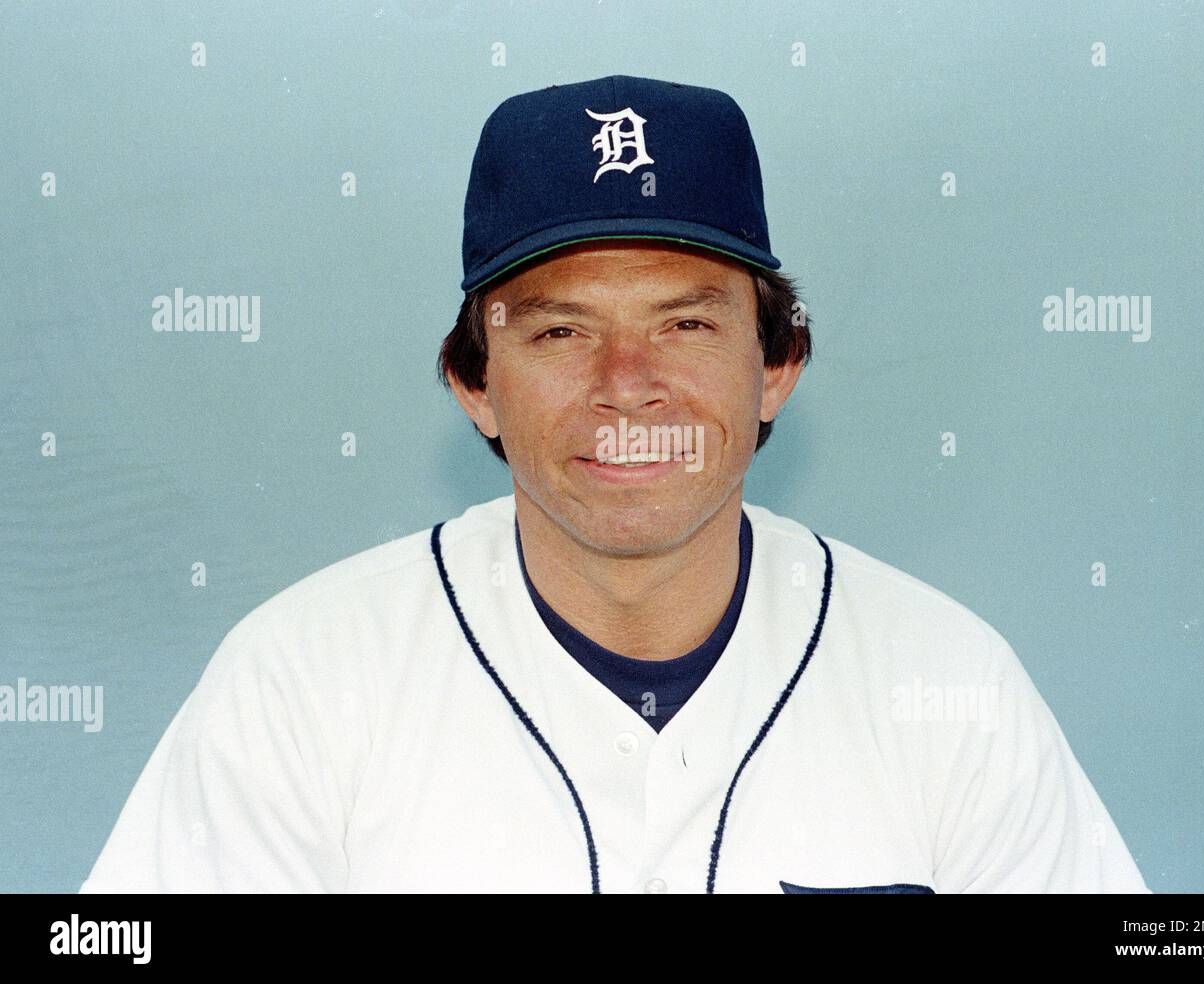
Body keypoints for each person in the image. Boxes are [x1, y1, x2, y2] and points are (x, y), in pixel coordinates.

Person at [81, 74, 1149, 893]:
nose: (626, 388)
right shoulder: (301, 681)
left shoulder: (946, 682)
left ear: (777, 367)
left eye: (685, 324)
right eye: (558, 330)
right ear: (474, 383)